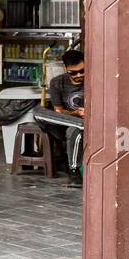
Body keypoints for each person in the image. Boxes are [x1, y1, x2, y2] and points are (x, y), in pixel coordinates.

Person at [33, 49, 86, 181]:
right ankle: (78, 123)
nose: (79, 75)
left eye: (82, 71)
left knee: (74, 130)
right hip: (63, 122)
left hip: (84, 124)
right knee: (38, 111)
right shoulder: (57, 82)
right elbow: (59, 111)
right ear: (66, 69)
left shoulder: (94, 80)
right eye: (73, 73)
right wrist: (75, 113)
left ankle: (74, 172)